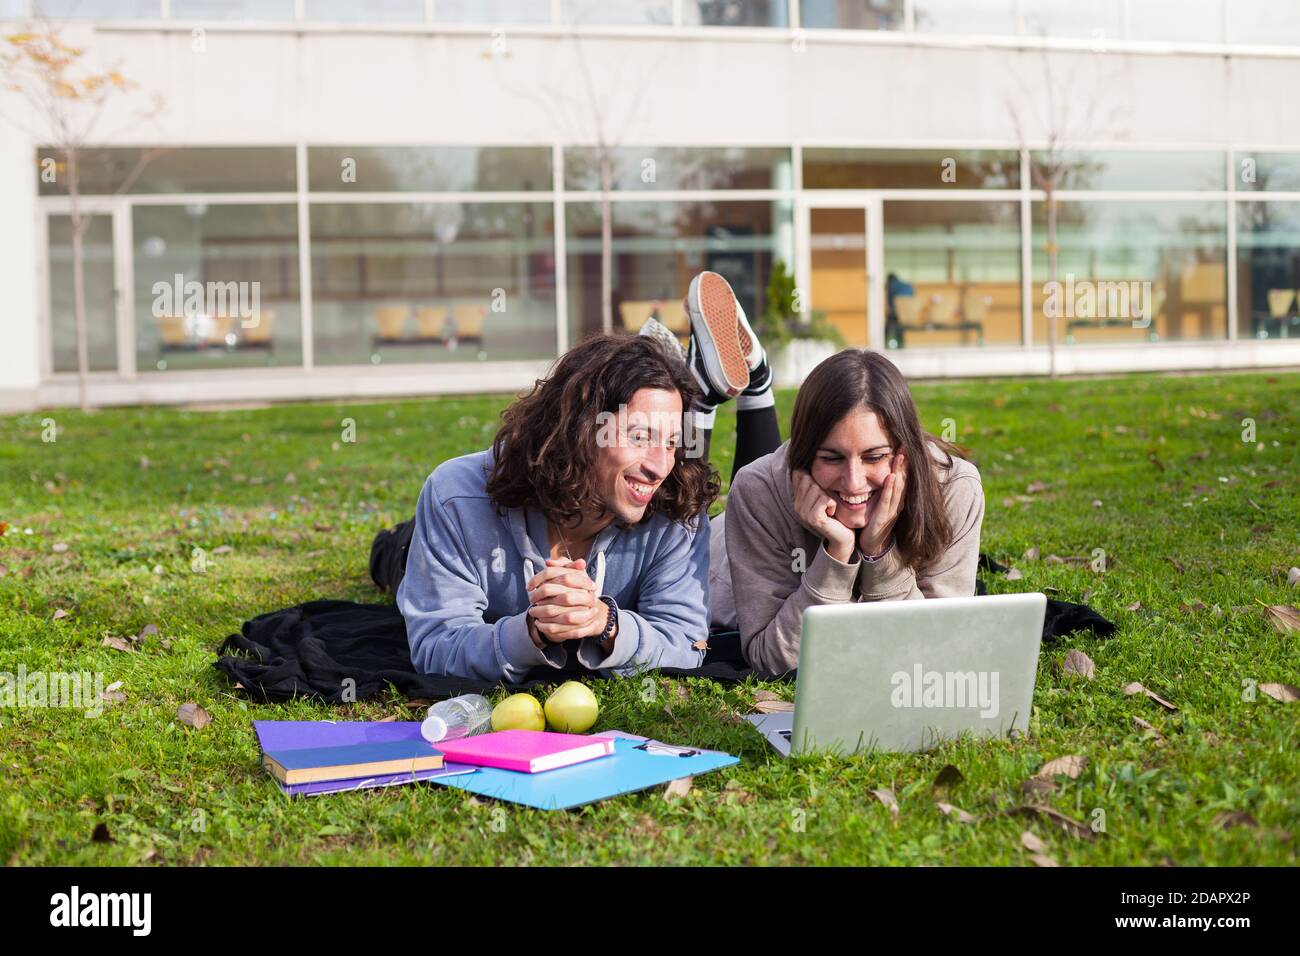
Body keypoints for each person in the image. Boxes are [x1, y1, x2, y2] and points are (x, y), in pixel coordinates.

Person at [391, 333, 720, 682]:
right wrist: (532, 631)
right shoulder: (456, 497)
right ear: (579, 430)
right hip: (421, 546)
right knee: (395, 553)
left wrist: (605, 623)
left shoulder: (677, 505)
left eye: (671, 443)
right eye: (639, 437)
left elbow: (688, 644)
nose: (659, 466)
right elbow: (437, 647)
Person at [715, 347, 985, 678]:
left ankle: (755, 382)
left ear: (904, 450)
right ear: (803, 455)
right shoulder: (756, 493)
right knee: (690, 516)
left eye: (874, 457)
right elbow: (773, 661)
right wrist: (836, 556)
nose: (854, 482)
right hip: (718, 561)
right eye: (831, 458)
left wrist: (880, 553)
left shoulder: (955, 488)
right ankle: (710, 390)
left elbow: (933, 653)